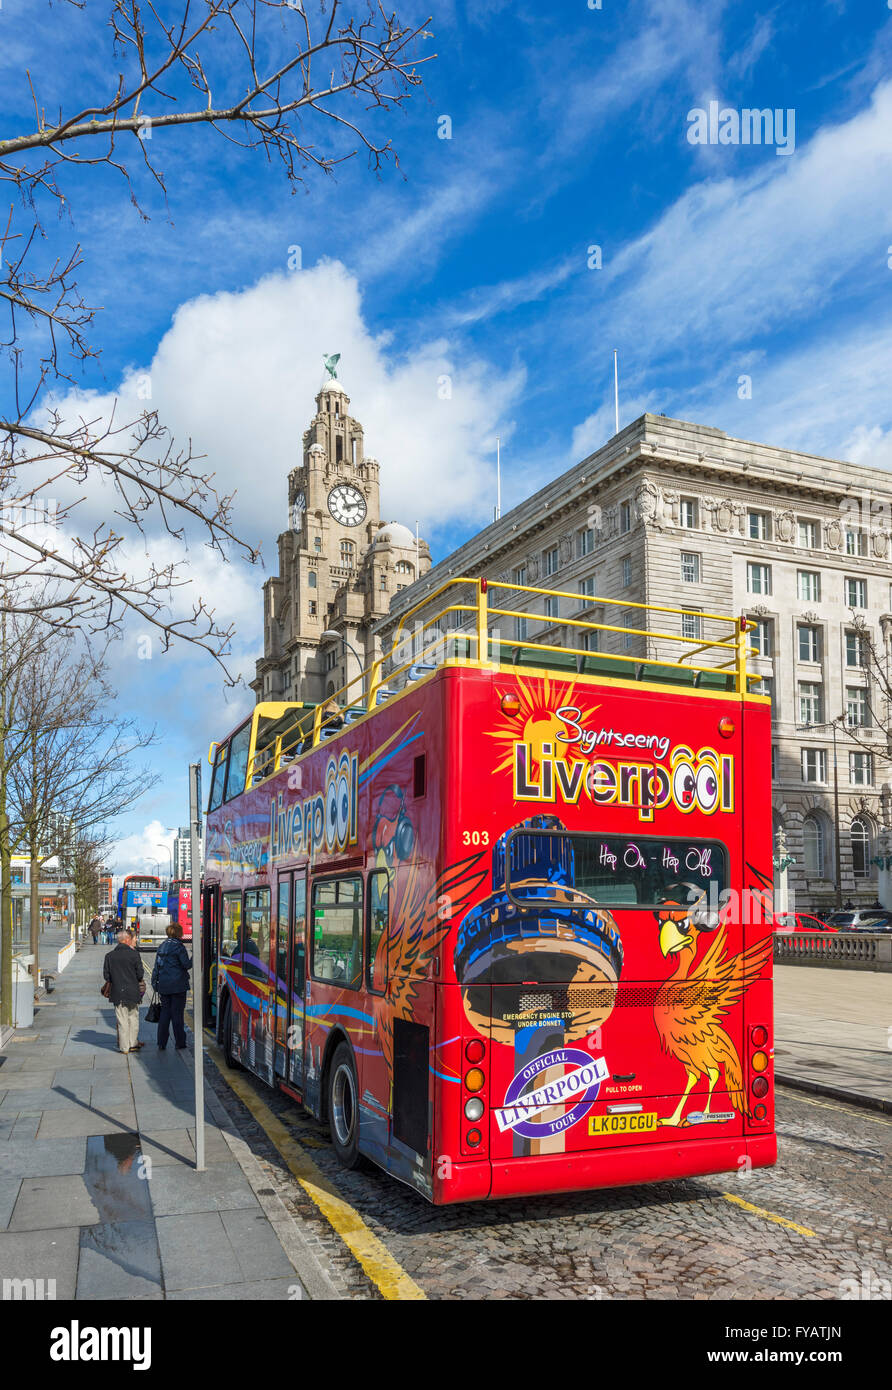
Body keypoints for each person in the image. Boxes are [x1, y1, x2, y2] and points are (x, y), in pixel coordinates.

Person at [103, 927, 146, 1054]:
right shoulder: (134, 954)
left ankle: (124, 1047)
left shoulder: (109, 956)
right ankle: (133, 1044)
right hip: (133, 992)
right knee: (133, 1017)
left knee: (122, 1019)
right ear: (127, 940)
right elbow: (140, 975)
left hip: (117, 992)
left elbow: (107, 976)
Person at [150, 922, 192, 1051]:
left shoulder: (162, 946)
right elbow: (186, 965)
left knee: (165, 1014)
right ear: (179, 933)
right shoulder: (179, 947)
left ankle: (161, 1042)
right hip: (178, 986)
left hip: (163, 985)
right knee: (177, 1015)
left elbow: (157, 966)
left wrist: (154, 983)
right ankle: (180, 1042)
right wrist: (195, 956)